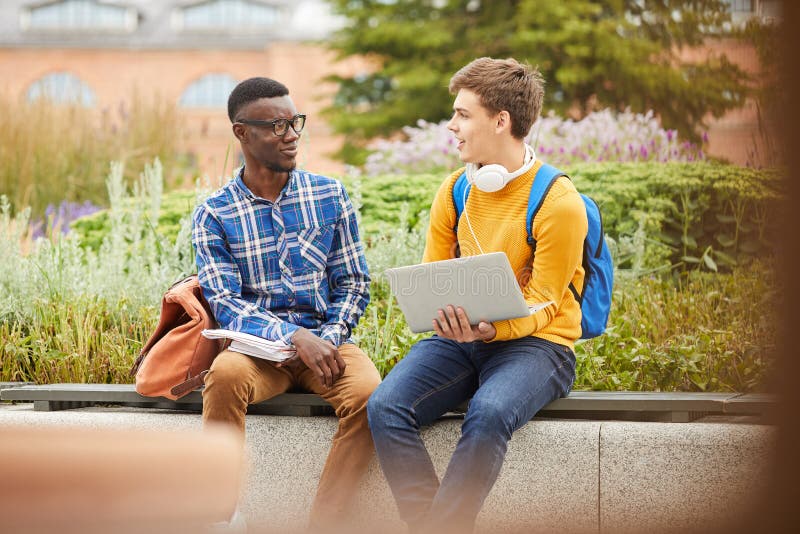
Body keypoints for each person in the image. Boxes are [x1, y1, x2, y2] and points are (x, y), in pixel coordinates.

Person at [367, 57, 587, 534]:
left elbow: (547, 299)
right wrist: (440, 315)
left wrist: (494, 327)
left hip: (540, 345)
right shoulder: (454, 191)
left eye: (463, 114)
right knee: (385, 406)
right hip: (462, 338)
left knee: (488, 412)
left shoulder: (559, 202)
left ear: (500, 121)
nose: (452, 125)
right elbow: (432, 274)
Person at [191, 77, 381, 533]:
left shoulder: (330, 195)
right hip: (257, 351)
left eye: (294, 122)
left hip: (327, 343)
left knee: (372, 397)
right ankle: (220, 515)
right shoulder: (214, 212)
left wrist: (327, 339)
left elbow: (353, 282)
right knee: (225, 376)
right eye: (276, 125)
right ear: (242, 133)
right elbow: (226, 303)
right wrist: (292, 337)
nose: (291, 134)